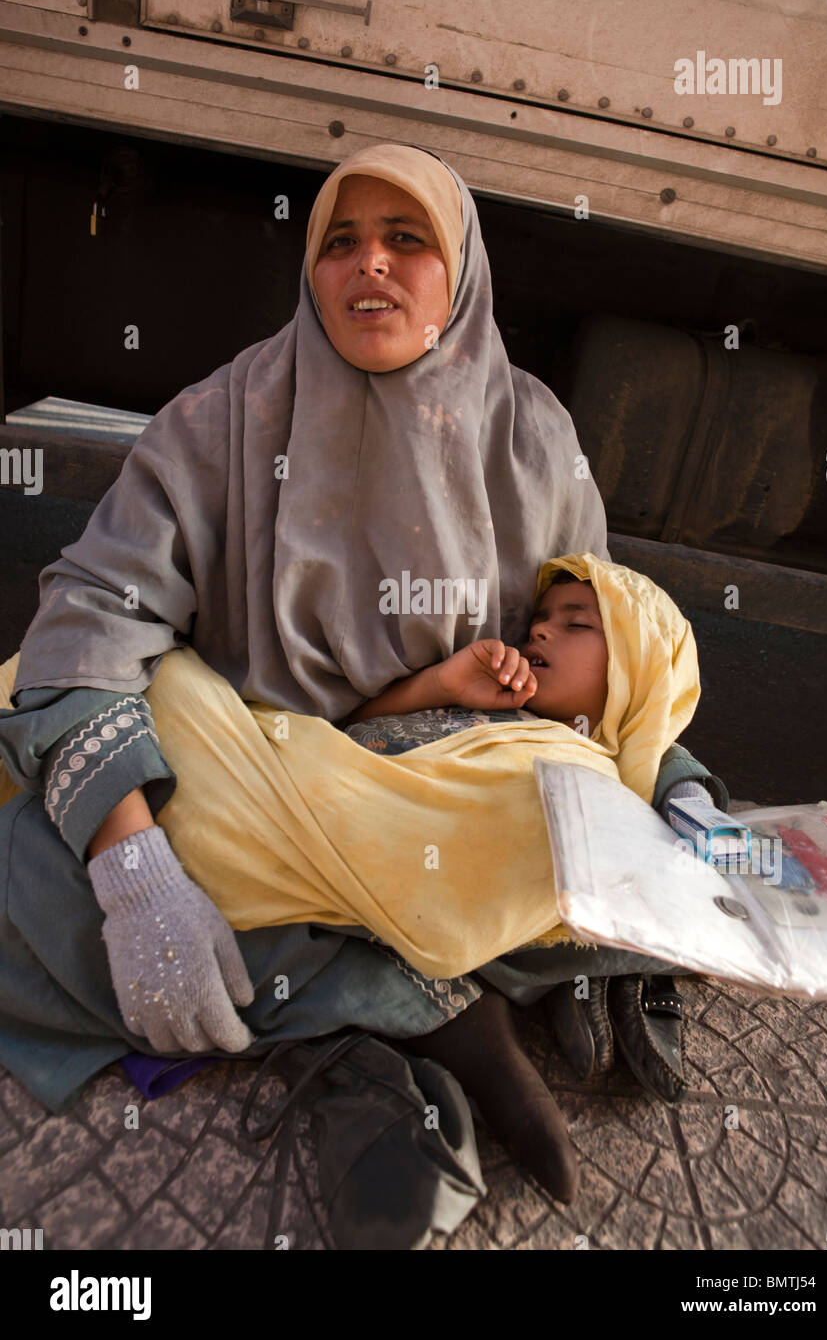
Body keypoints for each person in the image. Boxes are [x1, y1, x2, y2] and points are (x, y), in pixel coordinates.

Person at [0, 143, 726, 1204]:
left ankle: (359, 1003)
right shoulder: (224, 418)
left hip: (443, 780)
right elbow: (93, 613)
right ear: (310, 271)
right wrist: (138, 876)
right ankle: (435, 1009)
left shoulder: (531, 437)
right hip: (257, 780)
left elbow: (596, 646)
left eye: (405, 241)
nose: (367, 267)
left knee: (559, 798)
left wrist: (680, 790)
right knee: (44, 864)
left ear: (460, 275)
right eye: (339, 243)